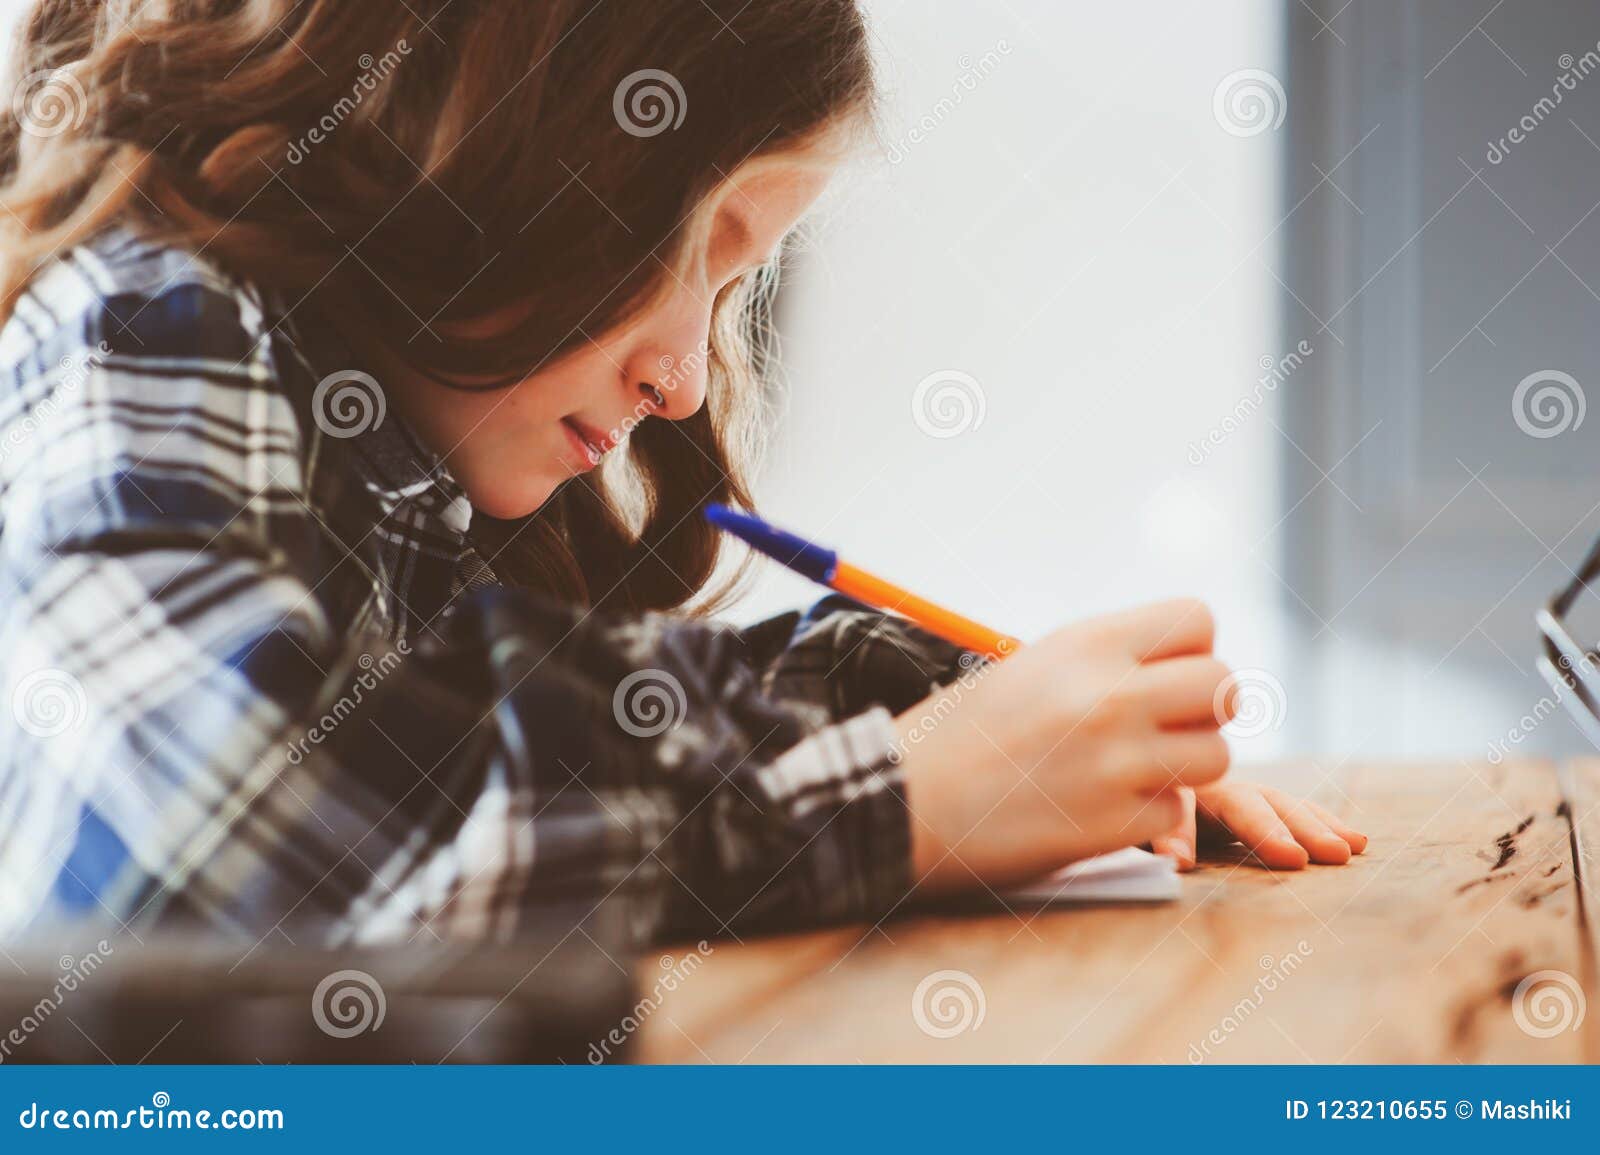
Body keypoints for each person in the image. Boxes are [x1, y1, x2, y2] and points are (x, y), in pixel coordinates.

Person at [0, 0, 1363, 946]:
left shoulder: (396, 460)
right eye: (702, 244)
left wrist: (980, 713)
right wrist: (909, 798)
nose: (688, 384)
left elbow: (481, 740)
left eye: (739, 287)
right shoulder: (141, 321)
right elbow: (221, 837)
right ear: (501, 133)